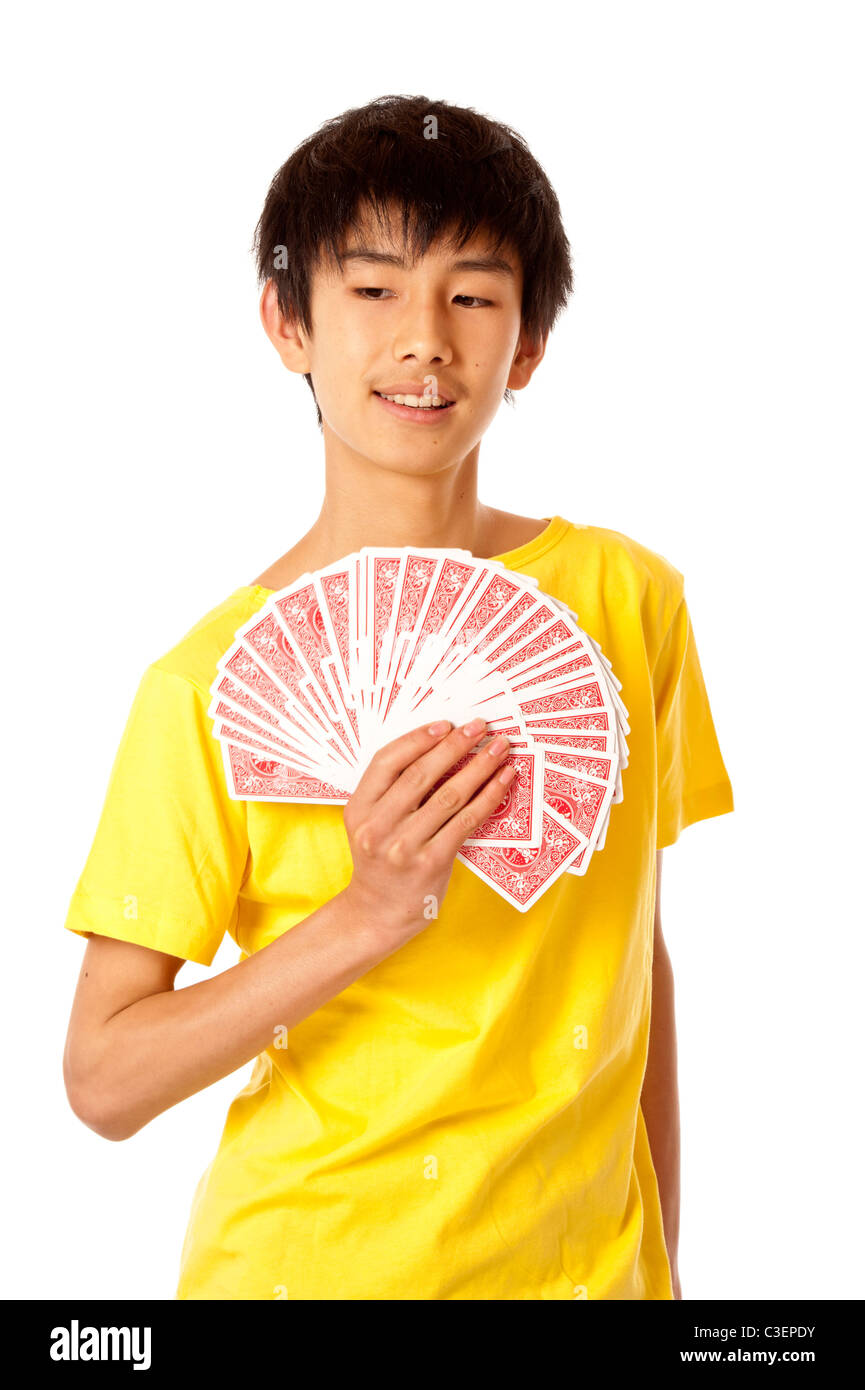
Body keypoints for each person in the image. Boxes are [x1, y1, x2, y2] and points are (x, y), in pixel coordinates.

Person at [61, 94, 734, 1301]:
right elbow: (104, 1079)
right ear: (288, 322)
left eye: (472, 296)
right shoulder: (204, 682)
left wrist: (664, 1273)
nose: (425, 339)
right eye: (372, 291)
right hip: (311, 1270)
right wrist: (366, 913)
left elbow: (639, 956)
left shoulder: (625, 601)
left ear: (526, 344)